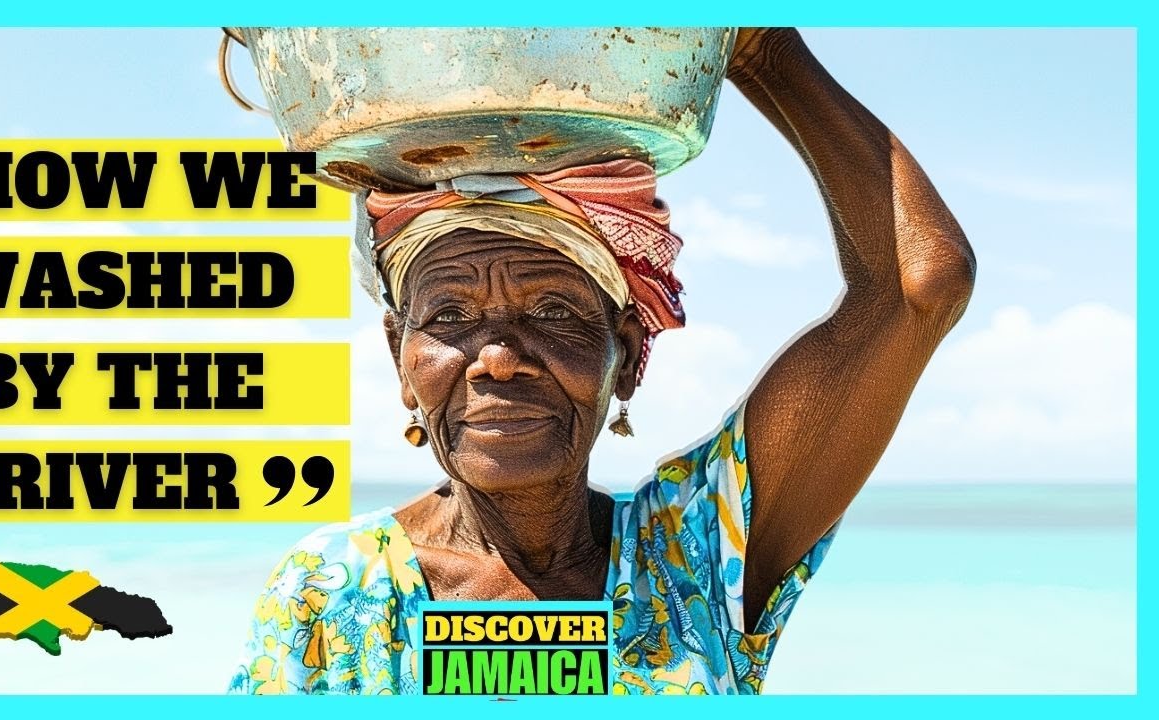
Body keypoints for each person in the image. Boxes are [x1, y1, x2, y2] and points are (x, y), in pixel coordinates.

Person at [229, 27, 976, 695]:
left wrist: (761, 51)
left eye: (553, 312)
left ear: (627, 352)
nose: (496, 358)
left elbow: (919, 285)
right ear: (402, 357)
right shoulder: (336, 595)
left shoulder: (697, 559)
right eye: (450, 316)